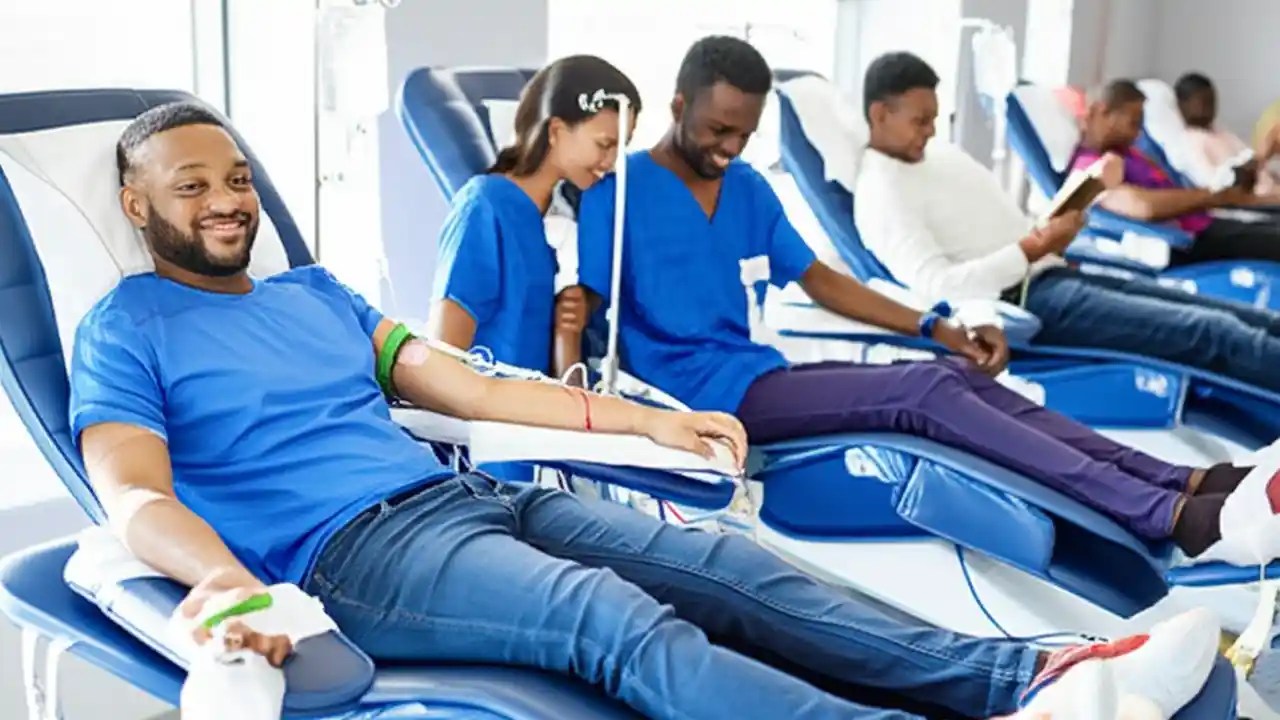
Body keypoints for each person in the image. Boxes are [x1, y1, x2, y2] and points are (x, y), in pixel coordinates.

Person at [72, 100, 1223, 720]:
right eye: (192, 186)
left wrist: (649, 425)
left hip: (466, 496)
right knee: (616, 624)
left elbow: (468, 387)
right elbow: (130, 491)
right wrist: (221, 578)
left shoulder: (314, 292)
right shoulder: (126, 327)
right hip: (355, 554)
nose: (227, 202)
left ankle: (1027, 680)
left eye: (234, 179)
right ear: (137, 204)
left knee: (735, 569)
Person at [566, 36, 1253, 559]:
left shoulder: (746, 187)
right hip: (702, 402)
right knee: (921, 398)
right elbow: (585, 327)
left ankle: (1179, 483)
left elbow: (823, 279)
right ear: (678, 106)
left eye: (744, 134)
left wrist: (936, 326)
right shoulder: (616, 195)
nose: (730, 147)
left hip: (756, 373)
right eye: (717, 129)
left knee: (947, 376)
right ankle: (1160, 515)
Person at [853, 51, 1280, 396]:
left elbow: (1007, 229)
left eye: (933, 118)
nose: (929, 131)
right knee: (1212, 332)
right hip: (1026, 303)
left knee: (1230, 312)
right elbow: (938, 286)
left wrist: (1052, 238)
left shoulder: (941, 159)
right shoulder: (881, 192)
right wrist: (1034, 248)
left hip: (1052, 271)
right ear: (879, 114)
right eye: (919, 120)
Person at [427, 55, 641, 377]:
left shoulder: (541, 224)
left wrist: (565, 327)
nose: (611, 162)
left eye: (619, 149)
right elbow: (442, 361)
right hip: (489, 418)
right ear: (555, 130)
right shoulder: (484, 207)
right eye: (604, 144)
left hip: (531, 409)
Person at [1073, 79, 1280, 265]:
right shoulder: (1091, 165)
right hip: (1185, 242)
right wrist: (1213, 197)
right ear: (1102, 111)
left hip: (1204, 225)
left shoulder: (1129, 154)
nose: (1136, 134)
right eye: (1133, 124)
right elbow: (1142, 206)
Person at [1174, 72, 1279, 199]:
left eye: (1212, 101)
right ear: (1182, 105)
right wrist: (1260, 156)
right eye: (1202, 103)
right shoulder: (1187, 143)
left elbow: (1255, 165)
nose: (1209, 108)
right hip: (1251, 205)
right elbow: (1216, 187)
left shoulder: (1224, 134)